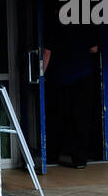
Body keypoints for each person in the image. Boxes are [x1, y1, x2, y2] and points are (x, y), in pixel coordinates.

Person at [41, 15, 99, 168]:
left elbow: (47, 52)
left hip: (60, 79)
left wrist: (40, 75)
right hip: (83, 77)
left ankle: (53, 155)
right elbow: (94, 49)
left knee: (58, 118)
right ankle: (80, 159)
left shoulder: (54, 25)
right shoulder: (84, 24)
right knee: (81, 120)